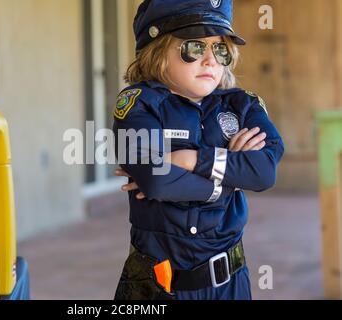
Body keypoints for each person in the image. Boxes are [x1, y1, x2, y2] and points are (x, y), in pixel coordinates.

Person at [112, 0, 285, 300]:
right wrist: (231, 178)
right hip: (155, 287)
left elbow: (265, 172)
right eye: (194, 47)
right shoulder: (139, 103)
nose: (210, 60)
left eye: (220, 49)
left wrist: (192, 159)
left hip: (230, 283)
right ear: (156, 49)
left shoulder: (243, 105)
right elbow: (157, 180)